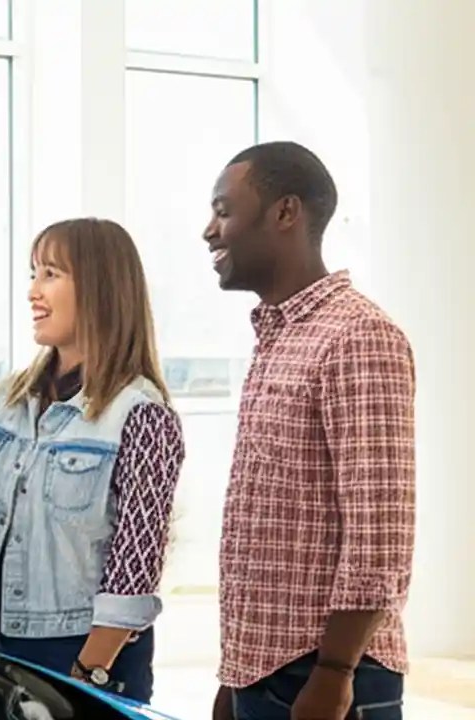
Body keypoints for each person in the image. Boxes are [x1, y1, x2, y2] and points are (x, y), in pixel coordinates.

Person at [204, 141, 416, 720]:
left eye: (223, 211)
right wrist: (236, 676)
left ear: (285, 212)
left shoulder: (358, 335)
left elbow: (380, 530)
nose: (209, 231)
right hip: (265, 672)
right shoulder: (279, 336)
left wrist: (335, 672)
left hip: (326, 676)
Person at [0, 217, 186, 704]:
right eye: (33, 274)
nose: (33, 291)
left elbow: (133, 571)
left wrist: (81, 680)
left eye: (50, 274)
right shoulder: (8, 400)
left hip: (86, 660)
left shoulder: (140, 413)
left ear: (100, 288)